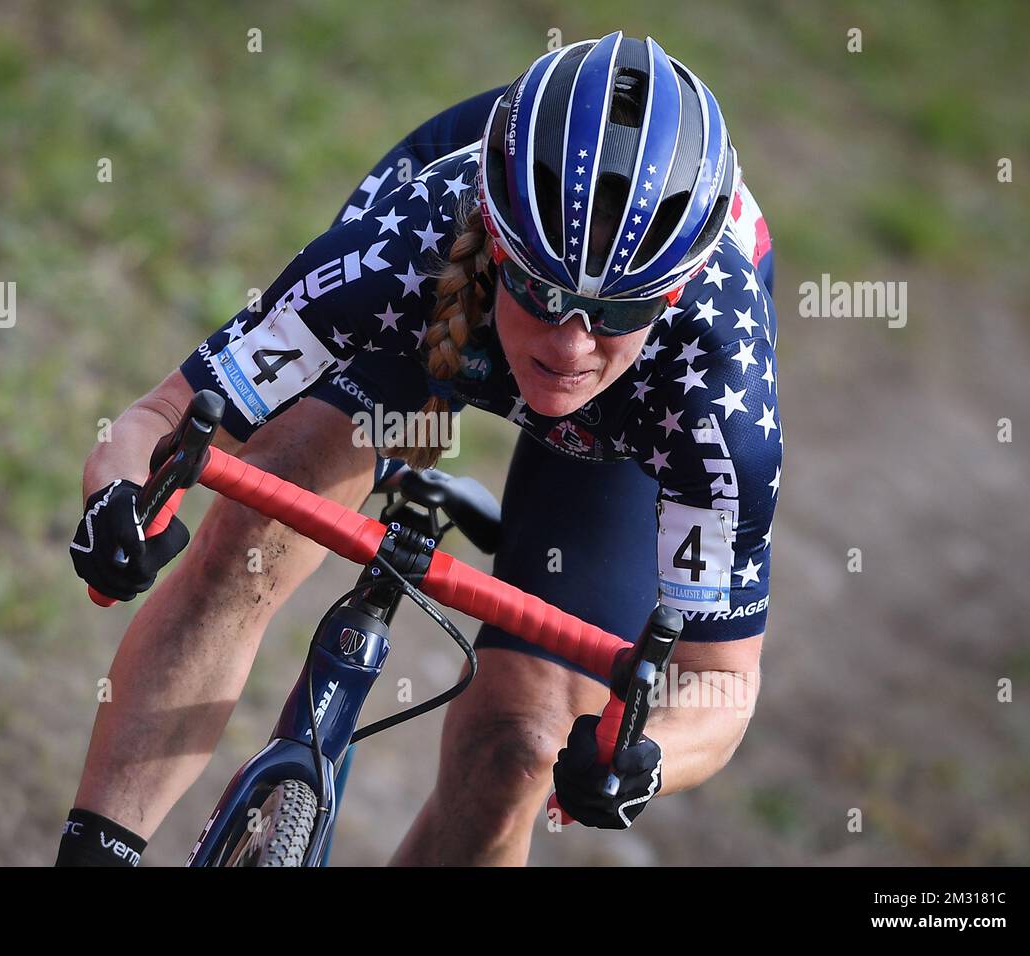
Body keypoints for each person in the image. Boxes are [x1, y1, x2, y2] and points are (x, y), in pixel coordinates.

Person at [59, 30, 780, 866]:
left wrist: (648, 760)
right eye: (542, 292)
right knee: (255, 530)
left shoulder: (715, 383)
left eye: (618, 312)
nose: (572, 343)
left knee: (522, 743)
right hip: (436, 308)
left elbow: (721, 684)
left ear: (675, 291)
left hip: (621, 427)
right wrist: (115, 501)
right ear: (500, 246)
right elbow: (160, 420)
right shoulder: (409, 245)